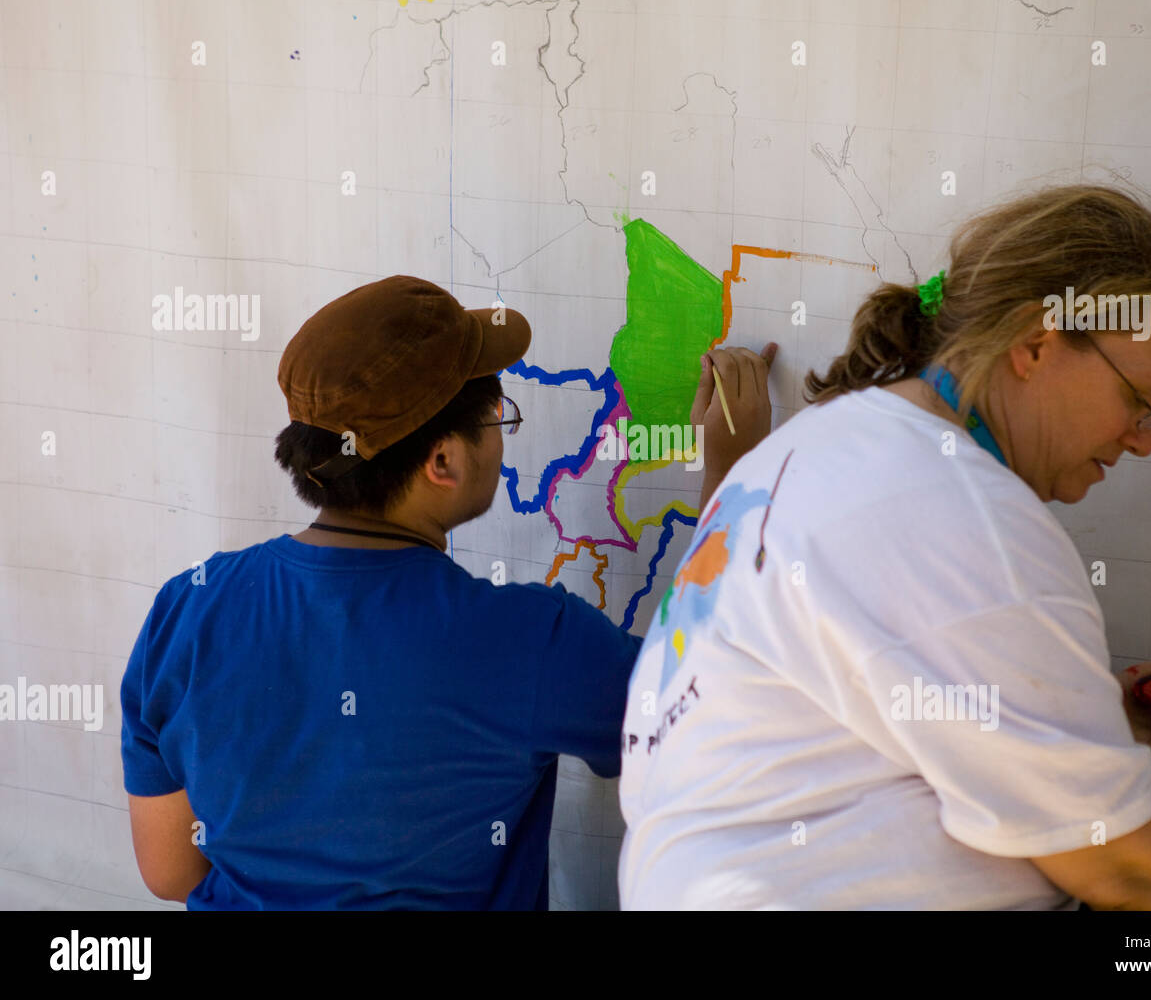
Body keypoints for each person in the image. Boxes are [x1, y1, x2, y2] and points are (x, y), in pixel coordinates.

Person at [618, 184, 1151, 911]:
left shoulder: (830, 439)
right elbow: (1136, 877)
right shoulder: (965, 516)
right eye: (1139, 401)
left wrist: (1085, 721)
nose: (1144, 440)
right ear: (1035, 344)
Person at [120, 275, 776, 909]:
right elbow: (705, 709)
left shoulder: (187, 609)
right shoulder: (528, 641)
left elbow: (170, 871)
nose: (502, 436)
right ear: (442, 461)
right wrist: (732, 472)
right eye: (497, 417)